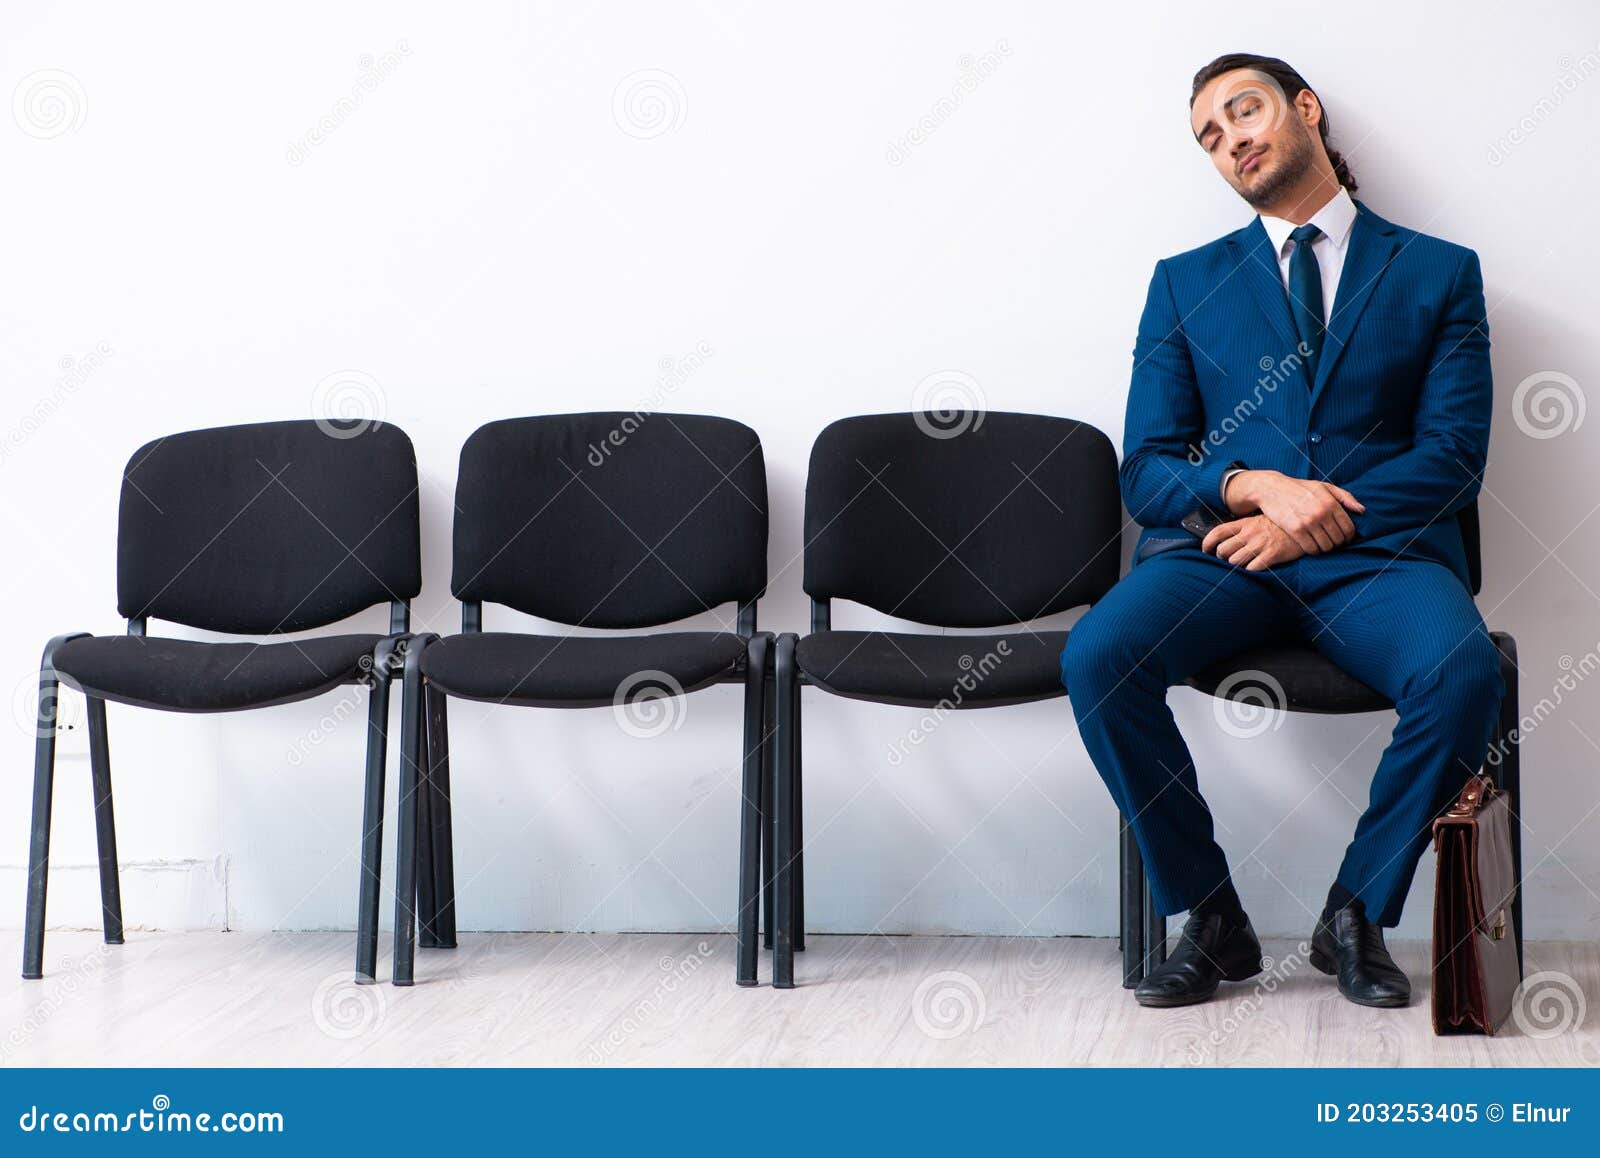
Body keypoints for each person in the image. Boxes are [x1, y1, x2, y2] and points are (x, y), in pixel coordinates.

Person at [1060, 53, 1501, 1009]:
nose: (1231, 141)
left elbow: (1455, 455)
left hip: (1380, 559)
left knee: (1467, 672)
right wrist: (1253, 485)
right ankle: (1212, 917)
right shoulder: (1185, 284)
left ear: (1304, 110)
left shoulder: (1437, 272)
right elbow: (1146, 468)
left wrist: (1315, 523)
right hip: (1226, 553)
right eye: (1209, 138)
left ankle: (1354, 911)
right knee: (1099, 656)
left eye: (1244, 111)